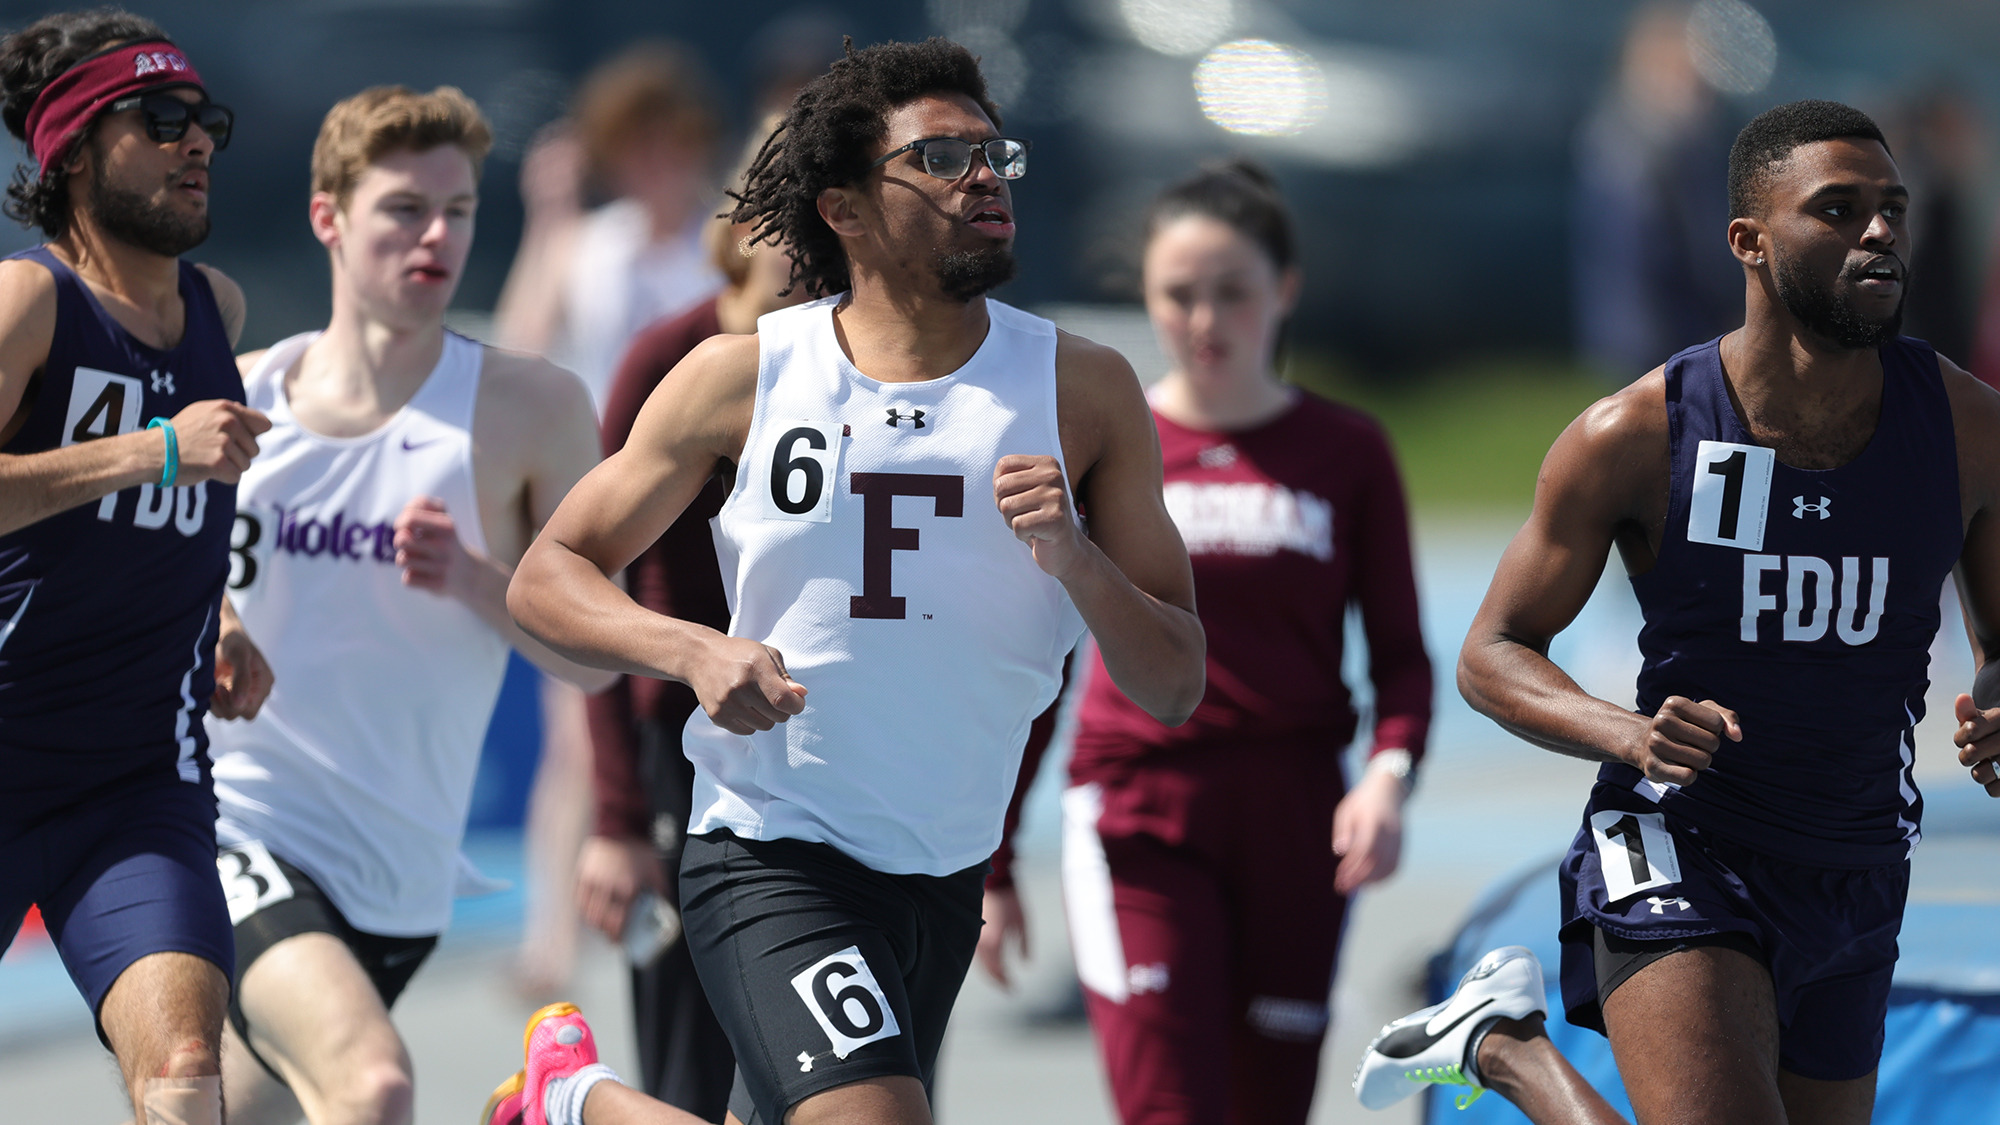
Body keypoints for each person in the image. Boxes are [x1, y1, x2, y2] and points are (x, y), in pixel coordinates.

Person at [493, 35, 1207, 1125]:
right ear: (844, 210)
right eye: (940, 157)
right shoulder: (742, 377)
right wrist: (689, 649)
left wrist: (1078, 560)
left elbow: (1173, 681)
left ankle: (574, 1098)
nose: (983, 177)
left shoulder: (1085, 390)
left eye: (991, 153)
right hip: (771, 849)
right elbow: (546, 576)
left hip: (941, 871)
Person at [1355, 99, 2000, 1125]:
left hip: (1857, 859)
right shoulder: (1634, 432)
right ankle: (1504, 1046)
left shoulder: (1966, 427)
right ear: (1748, 241)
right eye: (1836, 210)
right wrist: (1625, 731)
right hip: (1677, 842)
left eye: (1890, 208)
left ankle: (1501, 1047)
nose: (1876, 232)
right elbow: (1490, 652)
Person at [980, 161, 1433, 1125]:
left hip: (1295, 817)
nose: (1206, 319)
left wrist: (1388, 775)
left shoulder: (1347, 450)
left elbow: (1401, 653)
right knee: (1172, 1110)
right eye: (1179, 295)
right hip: (1141, 808)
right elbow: (1042, 662)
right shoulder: (1106, 439)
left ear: (1286, 291)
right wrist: (997, 853)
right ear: (1144, 295)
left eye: (1234, 292)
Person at [204, 85, 613, 1125]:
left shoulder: (531, 408)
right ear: (328, 218)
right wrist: (214, 619)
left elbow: (596, 662)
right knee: (373, 1084)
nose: (437, 235)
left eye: (460, 209)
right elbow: (146, 592)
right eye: (403, 208)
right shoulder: (240, 402)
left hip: (398, 876)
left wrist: (476, 580)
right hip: (233, 824)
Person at [0, 11, 269, 1125]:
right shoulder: (28, 301)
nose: (195, 141)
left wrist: (223, 617)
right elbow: (163, 463)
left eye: (203, 119)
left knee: (186, 1077)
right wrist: (151, 450)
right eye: (159, 120)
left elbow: (177, 525)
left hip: (133, 786)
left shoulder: (220, 310)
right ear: (69, 153)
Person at [574, 119, 803, 1120]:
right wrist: (618, 820)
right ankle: (576, 1096)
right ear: (743, 222)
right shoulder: (670, 359)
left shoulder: (859, 365)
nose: (814, 245)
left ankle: (574, 1098)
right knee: (687, 1066)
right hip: (680, 740)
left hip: (815, 742)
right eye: (790, 216)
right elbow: (584, 587)